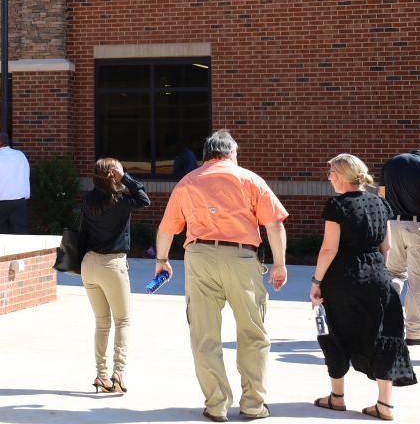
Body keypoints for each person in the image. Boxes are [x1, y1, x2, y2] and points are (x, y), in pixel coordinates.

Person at [155, 129, 288, 423]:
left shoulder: (187, 182)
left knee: (204, 335)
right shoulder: (250, 179)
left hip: (199, 256)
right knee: (253, 333)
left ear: (206, 154)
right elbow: (274, 225)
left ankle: (216, 405)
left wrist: (162, 260)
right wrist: (280, 264)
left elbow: (167, 228)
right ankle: (253, 404)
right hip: (241, 259)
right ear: (231, 153)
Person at [311, 154, 416, 421]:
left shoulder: (337, 205)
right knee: (382, 334)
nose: (329, 177)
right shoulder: (381, 203)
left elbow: (328, 249)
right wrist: (378, 271)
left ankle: (337, 398)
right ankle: (384, 404)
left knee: (335, 332)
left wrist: (316, 282)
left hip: (343, 279)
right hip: (377, 276)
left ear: (342, 175)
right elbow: (386, 247)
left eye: (331, 172)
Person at [80, 158, 150, 394]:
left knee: (101, 323)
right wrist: (126, 178)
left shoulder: (88, 200)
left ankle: (101, 375)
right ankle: (118, 373)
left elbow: (82, 230)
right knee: (123, 321)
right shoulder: (121, 201)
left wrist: (119, 178)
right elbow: (144, 199)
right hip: (112, 265)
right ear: (114, 174)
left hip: (89, 264)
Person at [378, 138, 420, 346]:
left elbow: (381, 195)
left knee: (393, 276)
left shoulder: (392, 163)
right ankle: (415, 333)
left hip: (392, 226)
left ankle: (383, 327)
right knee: (419, 282)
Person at [0, 131, 30, 234]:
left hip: (0, 202)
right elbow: (26, 175)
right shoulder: (20, 155)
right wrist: (26, 194)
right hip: (19, 200)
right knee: (20, 233)